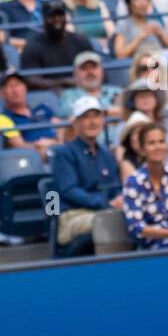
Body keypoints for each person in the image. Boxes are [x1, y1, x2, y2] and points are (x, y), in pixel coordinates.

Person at [51, 95, 122, 252]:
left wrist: (119, 199)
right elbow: (68, 190)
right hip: (72, 215)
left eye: (97, 116)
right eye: (85, 117)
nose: (92, 122)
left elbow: (115, 186)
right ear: (75, 123)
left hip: (105, 210)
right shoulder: (63, 153)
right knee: (109, 222)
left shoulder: (106, 153)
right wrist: (105, 203)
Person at [20, 0, 94, 90]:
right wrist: (63, 82)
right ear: (44, 18)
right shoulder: (34, 44)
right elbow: (31, 79)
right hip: (47, 94)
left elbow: (95, 70)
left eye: (60, 15)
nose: (57, 19)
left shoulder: (80, 40)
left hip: (80, 91)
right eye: (52, 16)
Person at [0, 68, 59, 154]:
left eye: (18, 84)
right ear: (2, 93)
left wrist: (56, 144)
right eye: (10, 86)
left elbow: (61, 129)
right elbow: (20, 146)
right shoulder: (1, 118)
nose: (15, 90)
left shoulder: (42, 108)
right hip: (33, 159)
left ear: (25, 88)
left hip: (58, 151)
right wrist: (41, 146)